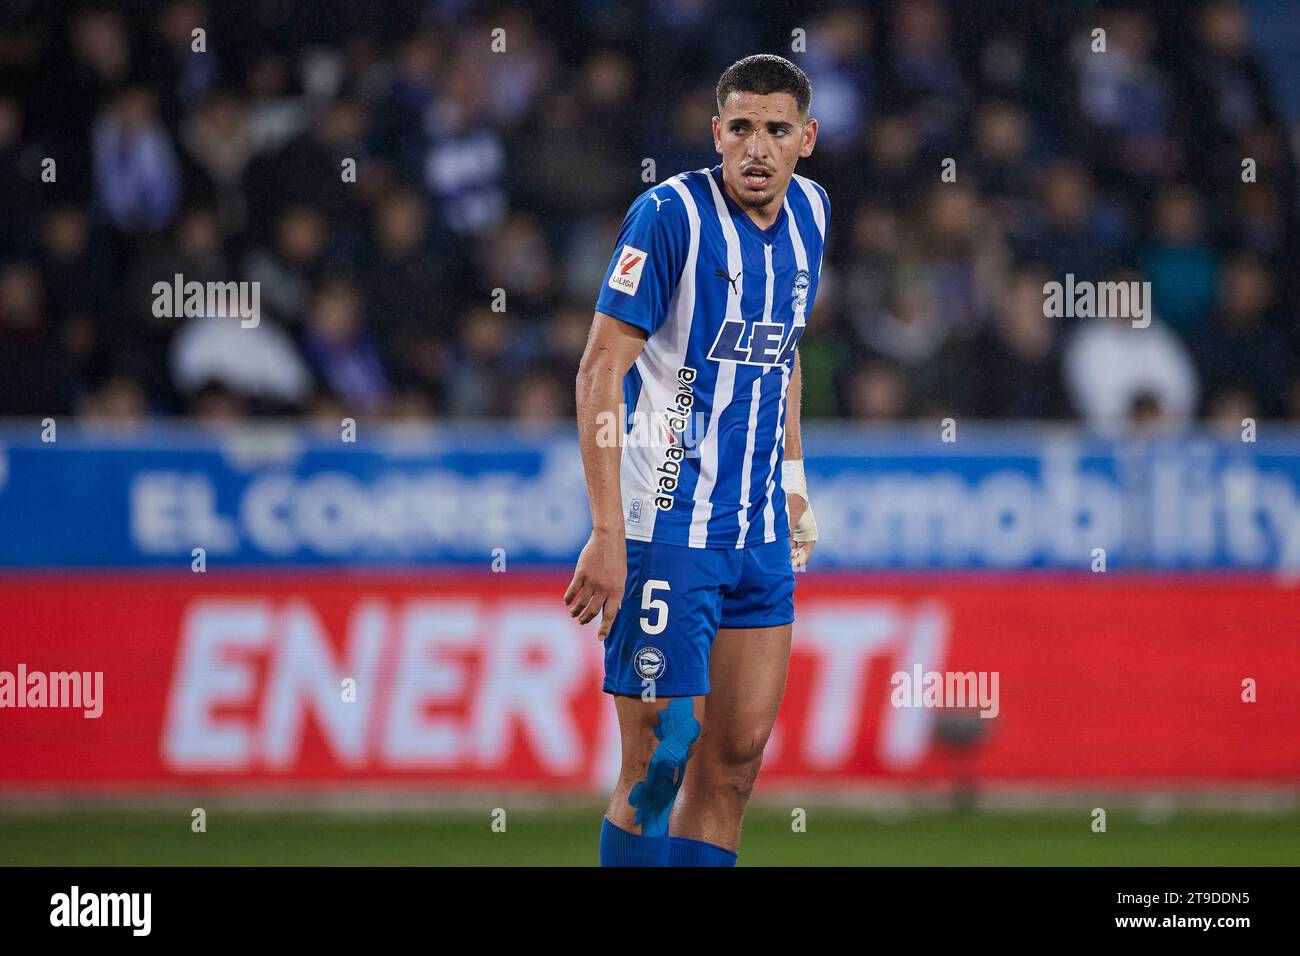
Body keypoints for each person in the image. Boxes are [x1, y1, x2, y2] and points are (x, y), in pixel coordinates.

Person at [564, 54, 828, 867]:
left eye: (776, 130)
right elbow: (599, 369)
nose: (757, 146)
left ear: (805, 139)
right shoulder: (668, 216)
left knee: (736, 765)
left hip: (755, 536)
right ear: (717, 133)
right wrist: (609, 531)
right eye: (741, 128)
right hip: (666, 529)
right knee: (657, 766)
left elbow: (780, 356)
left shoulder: (814, 213)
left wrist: (791, 483)